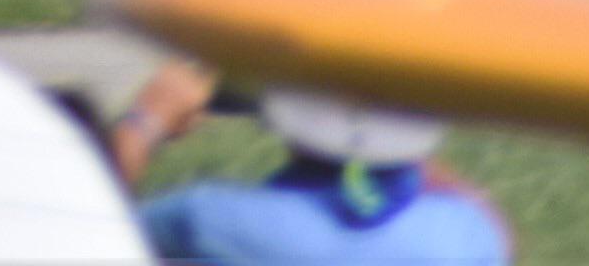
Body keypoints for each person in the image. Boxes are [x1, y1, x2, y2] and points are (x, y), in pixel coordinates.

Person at [111, 60, 515, 263]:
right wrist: (400, 141)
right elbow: (493, 229)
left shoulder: (209, 218)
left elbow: (84, 230)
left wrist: (145, 123)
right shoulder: (463, 235)